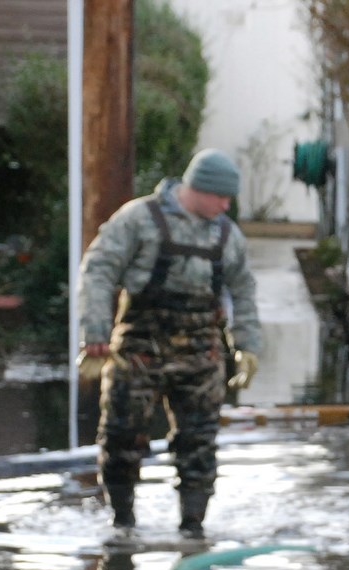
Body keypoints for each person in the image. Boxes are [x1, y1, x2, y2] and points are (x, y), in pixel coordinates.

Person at [76, 148, 262, 539]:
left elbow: (244, 291)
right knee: (121, 439)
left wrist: (246, 346)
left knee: (199, 445)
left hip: (201, 354)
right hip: (139, 352)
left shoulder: (227, 236)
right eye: (221, 197)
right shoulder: (138, 220)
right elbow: (98, 270)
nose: (226, 205)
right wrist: (94, 335)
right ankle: (122, 524)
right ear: (198, 188)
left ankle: (193, 529)